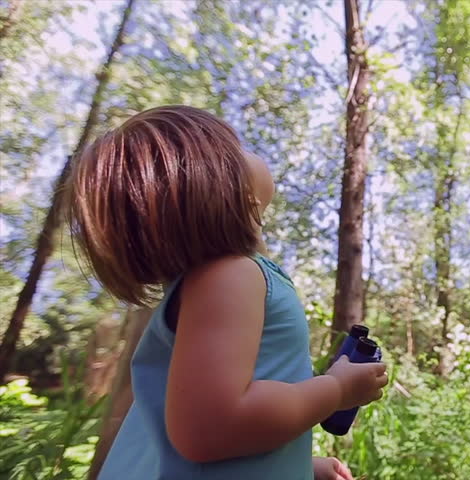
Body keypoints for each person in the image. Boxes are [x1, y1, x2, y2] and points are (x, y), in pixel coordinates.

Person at [66, 105, 388, 480]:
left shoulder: (220, 282)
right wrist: (336, 389)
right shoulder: (230, 275)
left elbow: (209, 435)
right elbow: (210, 428)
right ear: (226, 185)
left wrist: (300, 468)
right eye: (237, 149)